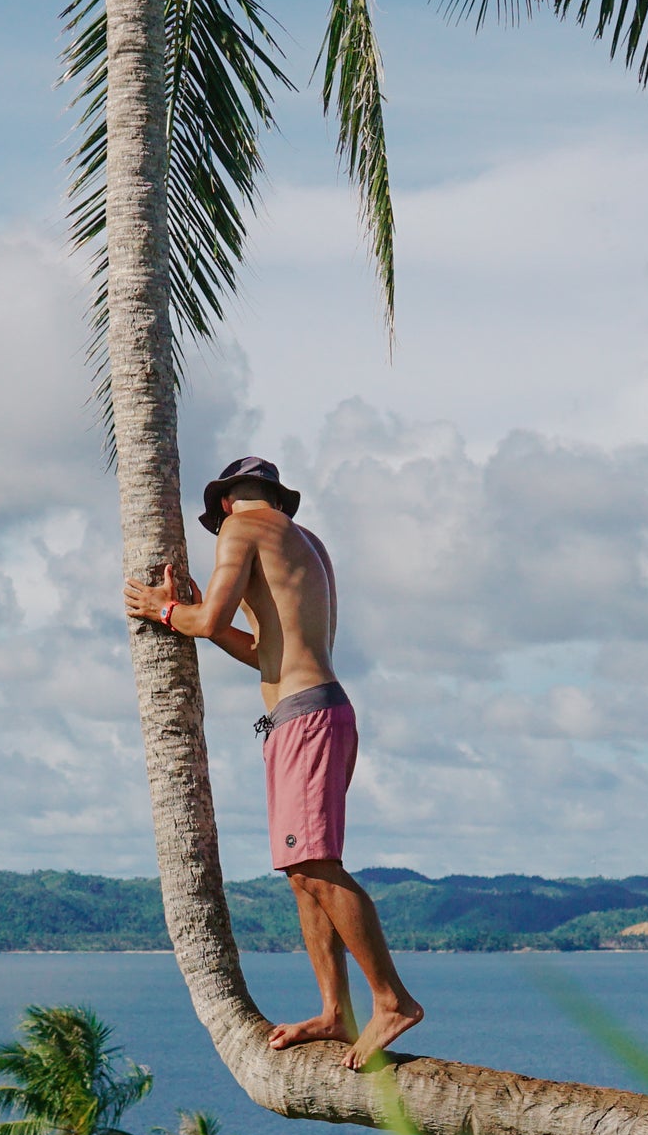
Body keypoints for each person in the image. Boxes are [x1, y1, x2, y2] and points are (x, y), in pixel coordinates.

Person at [123, 456, 424, 1070]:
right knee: (301, 870)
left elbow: (210, 620)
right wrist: (199, 618)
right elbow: (263, 648)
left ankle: (391, 1000)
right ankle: (334, 1012)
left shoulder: (242, 529)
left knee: (315, 864)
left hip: (306, 717)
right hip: (316, 712)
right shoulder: (305, 543)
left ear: (225, 504)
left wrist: (164, 610)